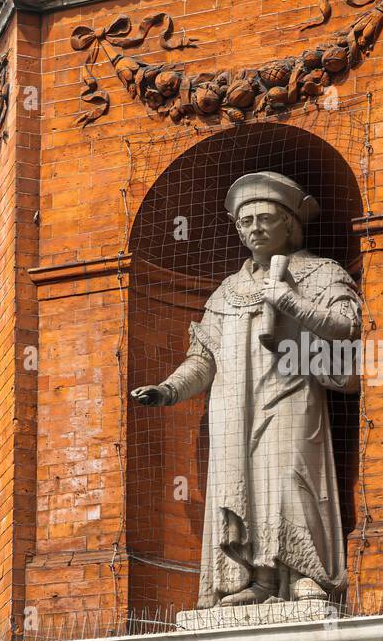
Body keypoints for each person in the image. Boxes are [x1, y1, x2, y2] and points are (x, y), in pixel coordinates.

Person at [132, 171, 361, 607]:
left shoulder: (319, 272)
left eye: (263, 218)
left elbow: (348, 328)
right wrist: (168, 390)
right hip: (233, 407)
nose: (253, 228)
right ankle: (256, 578)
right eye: (244, 222)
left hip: (291, 391)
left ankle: (304, 575)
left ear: (290, 222)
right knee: (240, 486)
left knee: (292, 478)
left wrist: (291, 301)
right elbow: (203, 360)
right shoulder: (227, 292)